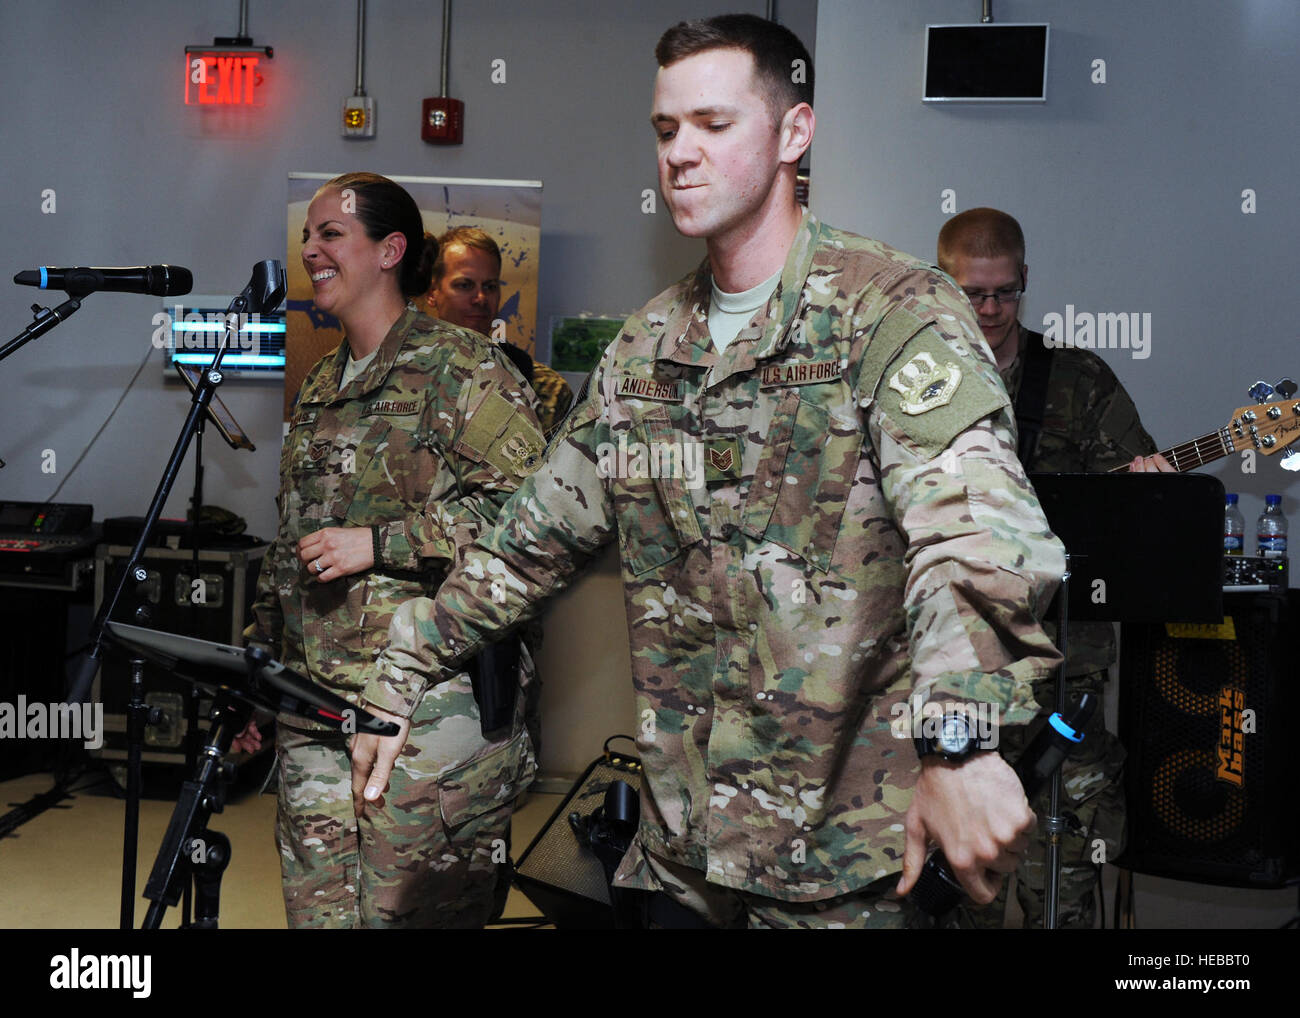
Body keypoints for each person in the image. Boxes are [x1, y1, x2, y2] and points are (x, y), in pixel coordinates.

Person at [354, 15, 1067, 929]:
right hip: (682, 854)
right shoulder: (644, 352)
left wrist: (960, 747)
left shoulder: (889, 313)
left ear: (794, 134)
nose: (681, 154)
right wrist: (405, 662)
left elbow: (975, 539)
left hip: (850, 868)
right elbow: (527, 543)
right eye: (666, 130)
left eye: (715, 125)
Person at [239, 172, 546, 928]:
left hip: (426, 714)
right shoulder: (318, 387)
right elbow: (293, 546)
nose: (309, 250)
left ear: (390, 250)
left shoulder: (461, 369)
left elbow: (532, 516)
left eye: (330, 234)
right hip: (313, 712)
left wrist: (380, 543)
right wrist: (256, 670)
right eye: (307, 235)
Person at [937, 207, 1172, 928]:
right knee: (954, 904)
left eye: (1005, 293)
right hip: (951, 688)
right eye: (973, 294)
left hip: (1062, 685)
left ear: (1026, 283)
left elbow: (1135, 505)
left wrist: (1150, 487)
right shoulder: (906, 385)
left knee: (1061, 900)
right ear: (940, 288)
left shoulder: (1076, 380)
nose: (991, 310)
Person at [424, 226, 574, 437]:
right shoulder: (404, 374)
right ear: (432, 293)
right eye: (465, 285)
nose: (481, 298)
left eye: (490, 286)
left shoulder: (545, 390)